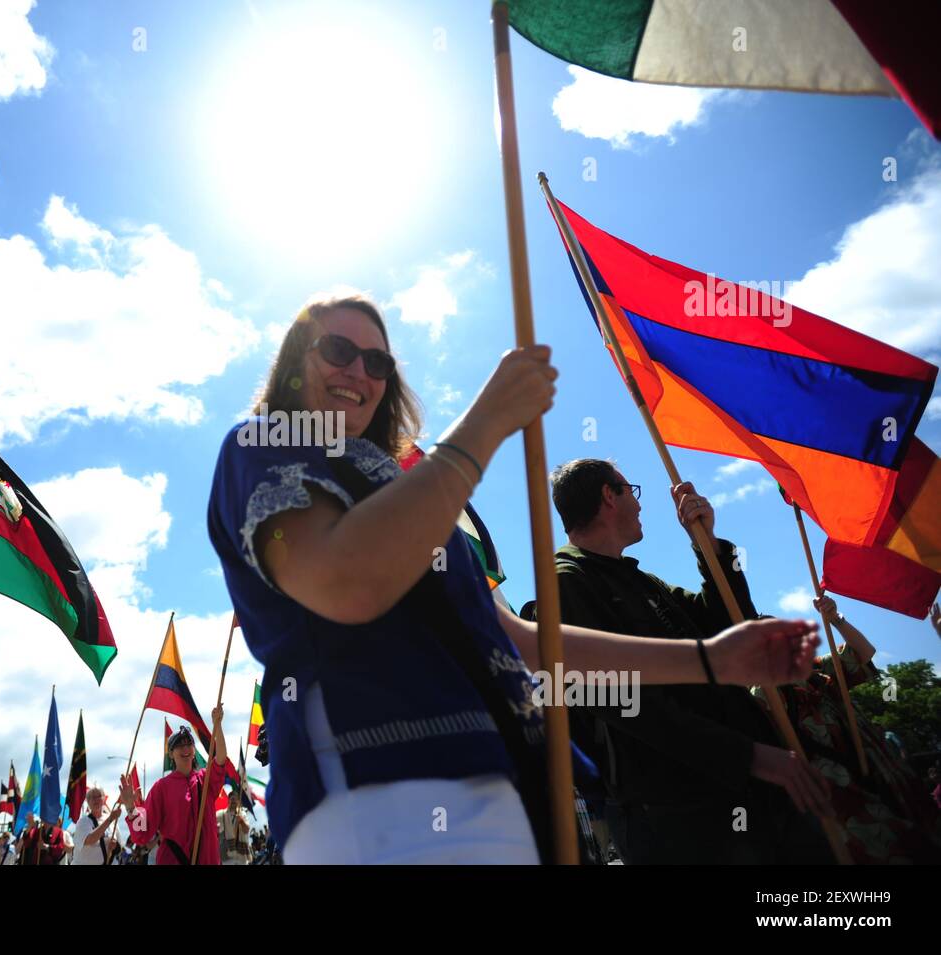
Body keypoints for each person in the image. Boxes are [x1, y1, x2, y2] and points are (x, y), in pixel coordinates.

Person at [205, 292, 821, 864]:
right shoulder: (264, 443)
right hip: (375, 781)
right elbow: (348, 584)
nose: (359, 372)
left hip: (504, 784)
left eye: (378, 362)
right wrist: (488, 421)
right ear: (293, 363)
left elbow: (521, 643)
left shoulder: (409, 494)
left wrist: (711, 659)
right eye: (337, 350)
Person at [547, 457, 833, 864]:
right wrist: (746, 754)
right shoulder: (566, 582)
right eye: (633, 491)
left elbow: (730, 623)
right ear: (609, 497)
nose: (641, 505)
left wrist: (708, 546)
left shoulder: (641, 581)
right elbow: (622, 702)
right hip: (681, 815)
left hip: (748, 793)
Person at [765, 595, 941, 863]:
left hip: (888, 777)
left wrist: (835, 618)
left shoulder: (818, 671)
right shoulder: (765, 693)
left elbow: (864, 652)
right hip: (849, 805)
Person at [121, 717, 232, 865]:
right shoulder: (161, 787)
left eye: (189, 744)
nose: (185, 748)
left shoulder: (205, 780)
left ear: (194, 752)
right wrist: (130, 807)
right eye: (179, 745)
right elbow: (142, 833)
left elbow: (221, 759)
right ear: (171, 754)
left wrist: (217, 725)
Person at [71, 786, 122, 865]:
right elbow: (89, 840)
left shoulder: (112, 821)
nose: (96, 799)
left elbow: (119, 846)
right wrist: (109, 819)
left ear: (104, 799)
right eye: (92, 797)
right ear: (88, 802)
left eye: (99, 796)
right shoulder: (83, 822)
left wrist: (115, 846)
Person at [220, 797, 252, 865]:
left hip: (241, 854)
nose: (233, 802)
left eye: (235, 800)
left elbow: (246, 830)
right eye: (231, 799)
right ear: (228, 801)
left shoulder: (243, 814)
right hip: (227, 855)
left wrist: (241, 821)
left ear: (238, 802)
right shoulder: (222, 815)